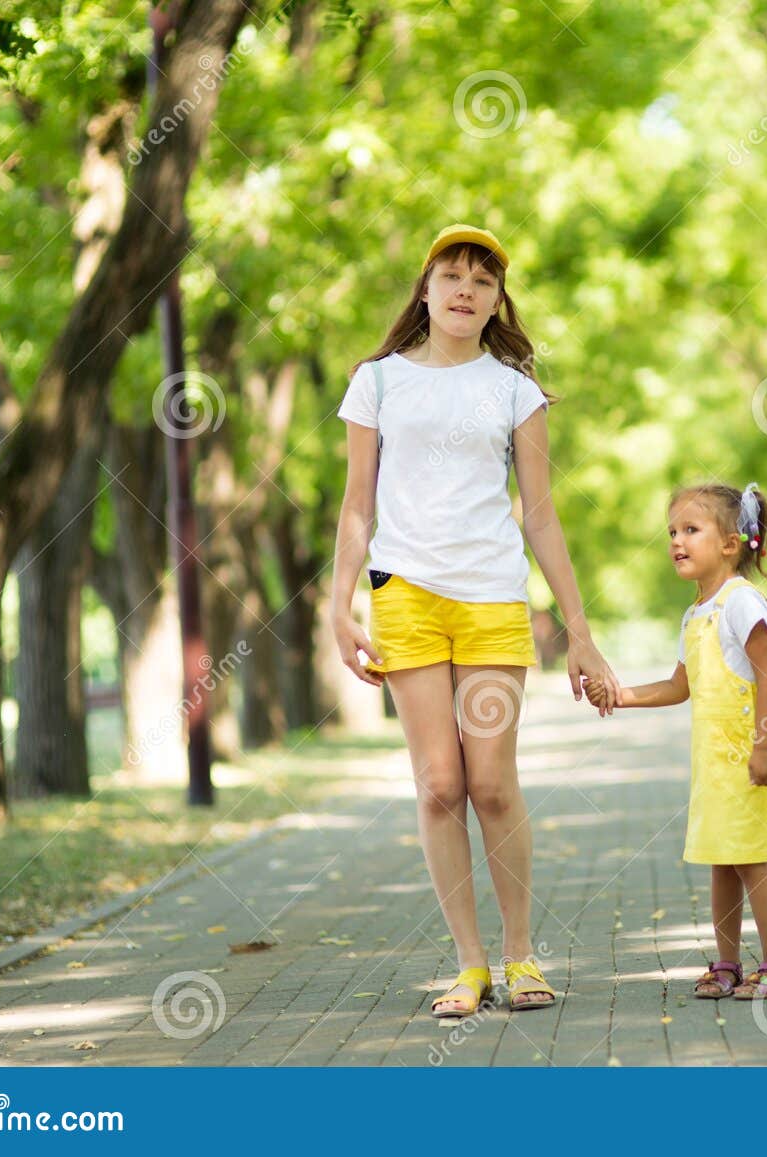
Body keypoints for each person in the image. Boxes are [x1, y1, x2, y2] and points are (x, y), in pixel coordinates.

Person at [331, 223, 618, 1018]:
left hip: (493, 596)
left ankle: (522, 954)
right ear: (425, 289)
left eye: (483, 281)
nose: (465, 289)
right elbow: (357, 505)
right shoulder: (378, 383)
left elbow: (542, 515)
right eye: (451, 274)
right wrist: (339, 603)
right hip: (405, 595)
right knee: (438, 784)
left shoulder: (515, 390)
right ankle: (469, 965)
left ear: (497, 303)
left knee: (490, 784)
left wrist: (581, 628)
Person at [585, 482, 767, 1000]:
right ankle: (728, 962)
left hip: (748, 752)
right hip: (715, 763)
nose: (677, 540)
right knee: (723, 857)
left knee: (749, 858)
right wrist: (619, 694)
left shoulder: (742, 602)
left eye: (691, 530)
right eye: (672, 531)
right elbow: (680, 686)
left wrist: (763, 747)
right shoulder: (696, 613)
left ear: (729, 543)